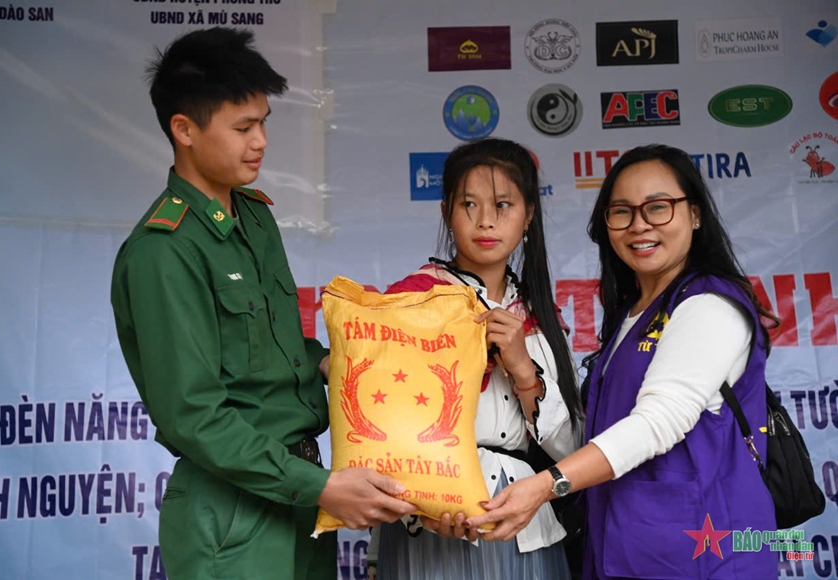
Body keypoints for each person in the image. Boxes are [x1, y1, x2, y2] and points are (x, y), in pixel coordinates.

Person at [110, 27, 415, 580]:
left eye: (264, 123)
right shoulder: (163, 251)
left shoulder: (254, 216)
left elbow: (274, 349)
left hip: (302, 490)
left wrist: (335, 362)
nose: (261, 142)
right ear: (184, 130)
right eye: (243, 127)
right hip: (233, 509)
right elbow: (193, 416)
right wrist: (321, 487)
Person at [466, 144, 780, 579]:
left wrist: (542, 486)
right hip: (624, 547)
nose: (639, 226)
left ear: (695, 214)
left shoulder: (710, 305)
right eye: (622, 212)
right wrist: (525, 378)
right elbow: (591, 436)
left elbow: (659, 421)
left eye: (658, 208)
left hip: (703, 554)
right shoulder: (632, 315)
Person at [369, 137, 583, 579]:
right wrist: (419, 509)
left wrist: (523, 367)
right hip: (433, 519)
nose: (486, 221)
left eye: (503, 205)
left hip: (524, 515)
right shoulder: (410, 302)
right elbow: (380, 428)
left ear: (528, 215)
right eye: (470, 204)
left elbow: (569, 449)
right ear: (447, 211)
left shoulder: (540, 314)